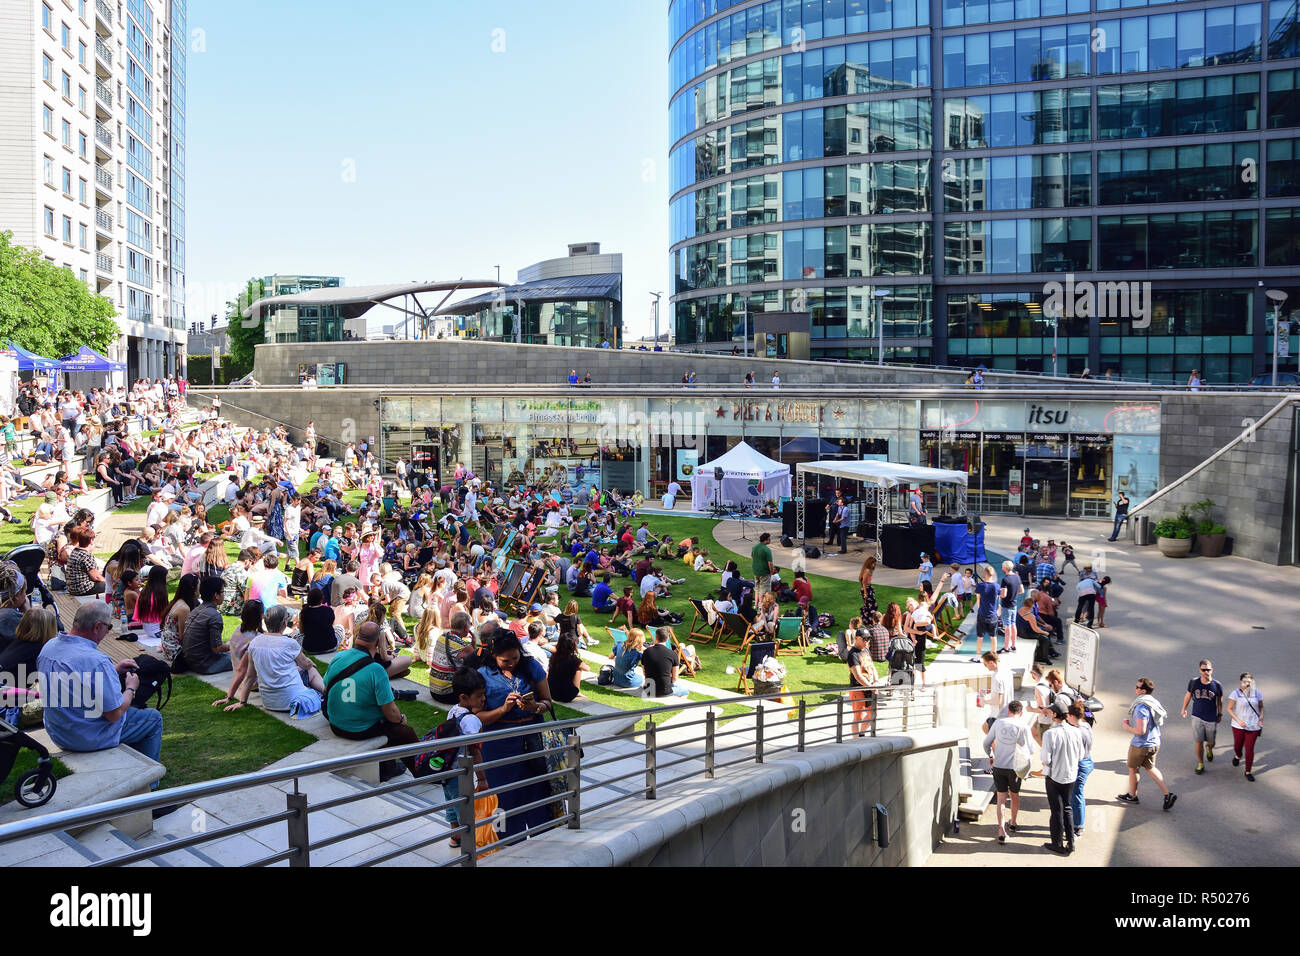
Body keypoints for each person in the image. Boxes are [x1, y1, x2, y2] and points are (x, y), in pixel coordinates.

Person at [36, 602, 164, 776]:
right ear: (97, 627)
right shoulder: (96, 660)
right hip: (86, 737)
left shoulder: (48, 647)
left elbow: (75, 681)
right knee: (153, 718)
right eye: (108, 627)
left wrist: (113, 670)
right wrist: (130, 689)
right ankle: (150, 782)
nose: (108, 632)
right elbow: (114, 714)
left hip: (59, 732)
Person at [476, 631, 554, 839]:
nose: (511, 663)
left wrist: (535, 707)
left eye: (515, 658)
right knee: (504, 795)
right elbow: (478, 717)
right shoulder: (482, 675)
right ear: (493, 655)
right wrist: (503, 709)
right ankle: (508, 841)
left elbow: (547, 701)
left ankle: (544, 837)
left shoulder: (531, 667)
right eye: (505, 660)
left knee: (538, 789)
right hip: (499, 744)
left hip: (532, 738)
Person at [438, 667, 491, 848]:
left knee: (452, 803)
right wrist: (482, 779)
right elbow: (475, 750)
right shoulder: (472, 720)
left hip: (447, 769)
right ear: (463, 697)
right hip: (460, 770)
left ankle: (456, 837)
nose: (483, 699)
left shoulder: (454, 711)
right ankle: (470, 844)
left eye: (483, 694)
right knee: (464, 807)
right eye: (479, 695)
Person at [1118, 676, 1176, 810]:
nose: (1135, 688)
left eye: (1138, 687)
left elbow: (1140, 730)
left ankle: (1132, 796)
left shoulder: (1141, 707)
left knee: (1133, 768)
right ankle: (1167, 794)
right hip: (1154, 742)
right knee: (1150, 768)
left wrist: (1127, 727)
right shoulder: (1152, 702)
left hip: (1141, 745)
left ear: (1143, 691)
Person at [983, 700, 1033, 844]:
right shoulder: (1024, 726)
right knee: (1015, 795)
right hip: (1015, 768)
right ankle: (1013, 823)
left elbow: (986, 743)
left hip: (999, 766)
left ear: (1008, 711)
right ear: (1021, 713)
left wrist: (991, 755)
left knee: (1001, 799)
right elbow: (1032, 749)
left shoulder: (998, 723)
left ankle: (1001, 830)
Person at [1040, 699, 1085, 855]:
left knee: (1056, 811)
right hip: (1071, 775)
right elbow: (1081, 755)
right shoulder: (1076, 731)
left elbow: (1046, 759)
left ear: (1054, 715)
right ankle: (1071, 842)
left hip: (1055, 776)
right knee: (1067, 808)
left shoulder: (1050, 734)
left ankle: (1057, 843)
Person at [1180, 658, 1223, 775]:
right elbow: (1188, 695)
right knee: (1198, 741)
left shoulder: (1217, 685)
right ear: (1200, 670)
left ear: (1212, 670)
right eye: (1204, 670)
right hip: (1197, 716)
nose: (1206, 672)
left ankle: (1209, 749)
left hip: (1211, 718)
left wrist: (1219, 714)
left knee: (1211, 741)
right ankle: (1200, 764)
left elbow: (1220, 701)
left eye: (1208, 670)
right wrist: (1184, 709)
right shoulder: (1194, 682)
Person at [181, 576, 231, 674]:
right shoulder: (214, 616)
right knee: (240, 657)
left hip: (188, 660)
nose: (224, 595)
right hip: (204, 665)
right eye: (223, 592)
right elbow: (217, 648)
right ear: (216, 595)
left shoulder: (197, 609)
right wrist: (233, 645)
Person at [1226, 672, 1263, 781]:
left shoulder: (1257, 693)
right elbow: (1229, 708)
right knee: (1237, 746)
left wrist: (1261, 719)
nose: (1247, 684)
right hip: (1238, 725)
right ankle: (1238, 755)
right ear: (1241, 682)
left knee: (1249, 749)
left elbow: (1261, 708)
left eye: (1249, 682)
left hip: (1253, 726)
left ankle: (1248, 771)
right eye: (1245, 682)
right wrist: (1239, 720)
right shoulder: (1235, 693)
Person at [1068, 701, 1094, 838]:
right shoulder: (1087, 726)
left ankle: (1078, 826)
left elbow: (1075, 754)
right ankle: (1076, 823)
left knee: (1076, 794)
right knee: (1076, 794)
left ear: (1072, 716)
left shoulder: (1076, 732)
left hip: (1080, 764)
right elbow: (1090, 715)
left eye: (1068, 715)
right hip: (1087, 761)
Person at [845, 629, 877, 737]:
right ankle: (856, 740)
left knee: (873, 713)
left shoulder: (866, 650)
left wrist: (876, 682)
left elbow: (872, 667)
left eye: (868, 639)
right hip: (857, 689)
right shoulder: (852, 654)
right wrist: (871, 686)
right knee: (858, 716)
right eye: (864, 639)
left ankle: (861, 734)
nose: (867, 642)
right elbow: (857, 675)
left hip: (869, 686)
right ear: (857, 638)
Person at [643, 626, 689, 697]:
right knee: (685, 690)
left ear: (656, 637)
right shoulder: (673, 654)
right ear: (667, 639)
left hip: (648, 690)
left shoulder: (646, 652)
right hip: (665, 691)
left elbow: (644, 673)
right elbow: (674, 678)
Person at [547, 633, 589, 704]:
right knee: (578, 670)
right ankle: (576, 692)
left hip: (552, 693)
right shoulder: (573, 659)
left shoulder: (554, 657)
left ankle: (575, 691)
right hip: (567, 695)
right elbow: (587, 668)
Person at [298, 587, 339, 653]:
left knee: (296, 634)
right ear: (321, 599)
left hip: (309, 648)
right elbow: (331, 626)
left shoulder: (305, 612)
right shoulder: (328, 610)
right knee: (339, 628)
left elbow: (301, 630)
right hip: (330, 646)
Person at [971, 565, 1000, 661]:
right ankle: (994, 655)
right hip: (993, 615)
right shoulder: (996, 586)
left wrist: (980, 609)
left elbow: (978, 598)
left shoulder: (981, 586)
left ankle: (978, 656)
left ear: (985, 574)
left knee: (980, 637)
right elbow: (998, 597)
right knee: (993, 636)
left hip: (982, 614)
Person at [998, 560, 1020, 651]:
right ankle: (1013, 645)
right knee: (1013, 624)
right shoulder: (1017, 577)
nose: (1002, 568)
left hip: (1006, 605)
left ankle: (1006, 647)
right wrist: (1013, 592)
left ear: (1005, 568)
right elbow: (1021, 590)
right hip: (1014, 604)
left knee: (1006, 626)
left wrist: (999, 593)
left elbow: (1004, 595)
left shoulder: (1005, 579)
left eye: (1002, 567)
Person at [751, 532, 775, 599]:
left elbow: (752, 557)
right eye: (769, 539)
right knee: (764, 590)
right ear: (766, 540)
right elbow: (770, 563)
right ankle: (761, 605)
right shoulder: (767, 550)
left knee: (757, 588)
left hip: (756, 570)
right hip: (764, 572)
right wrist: (771, 572)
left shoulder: (754, 547)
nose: (770, 540)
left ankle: (756, 604)